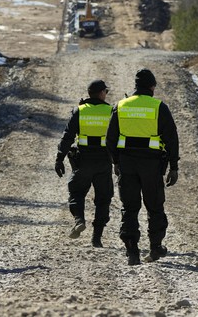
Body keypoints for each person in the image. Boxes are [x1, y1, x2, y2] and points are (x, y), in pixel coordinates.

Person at [105, 69, 179, 265]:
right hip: (152, 165)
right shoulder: (159, 107)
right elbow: (172, 138)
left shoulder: (120, 106)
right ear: (152, 86)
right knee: (154, 206)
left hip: (127, 164)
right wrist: (173, 166)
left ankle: (132, 252)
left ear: (135, 86)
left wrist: (116, 162)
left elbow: (110, 139)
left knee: (129, 207)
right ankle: (155, 247)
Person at [54, 79, 114, 247]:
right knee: (103, 199)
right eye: (106, 92)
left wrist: (59, 158)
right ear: (101, 93)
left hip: (83, 160)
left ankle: (79, 219)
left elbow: (67, 137)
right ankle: (97, 237)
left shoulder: (79, 111)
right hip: (104, 161)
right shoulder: (111, 111)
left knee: (77, 192)